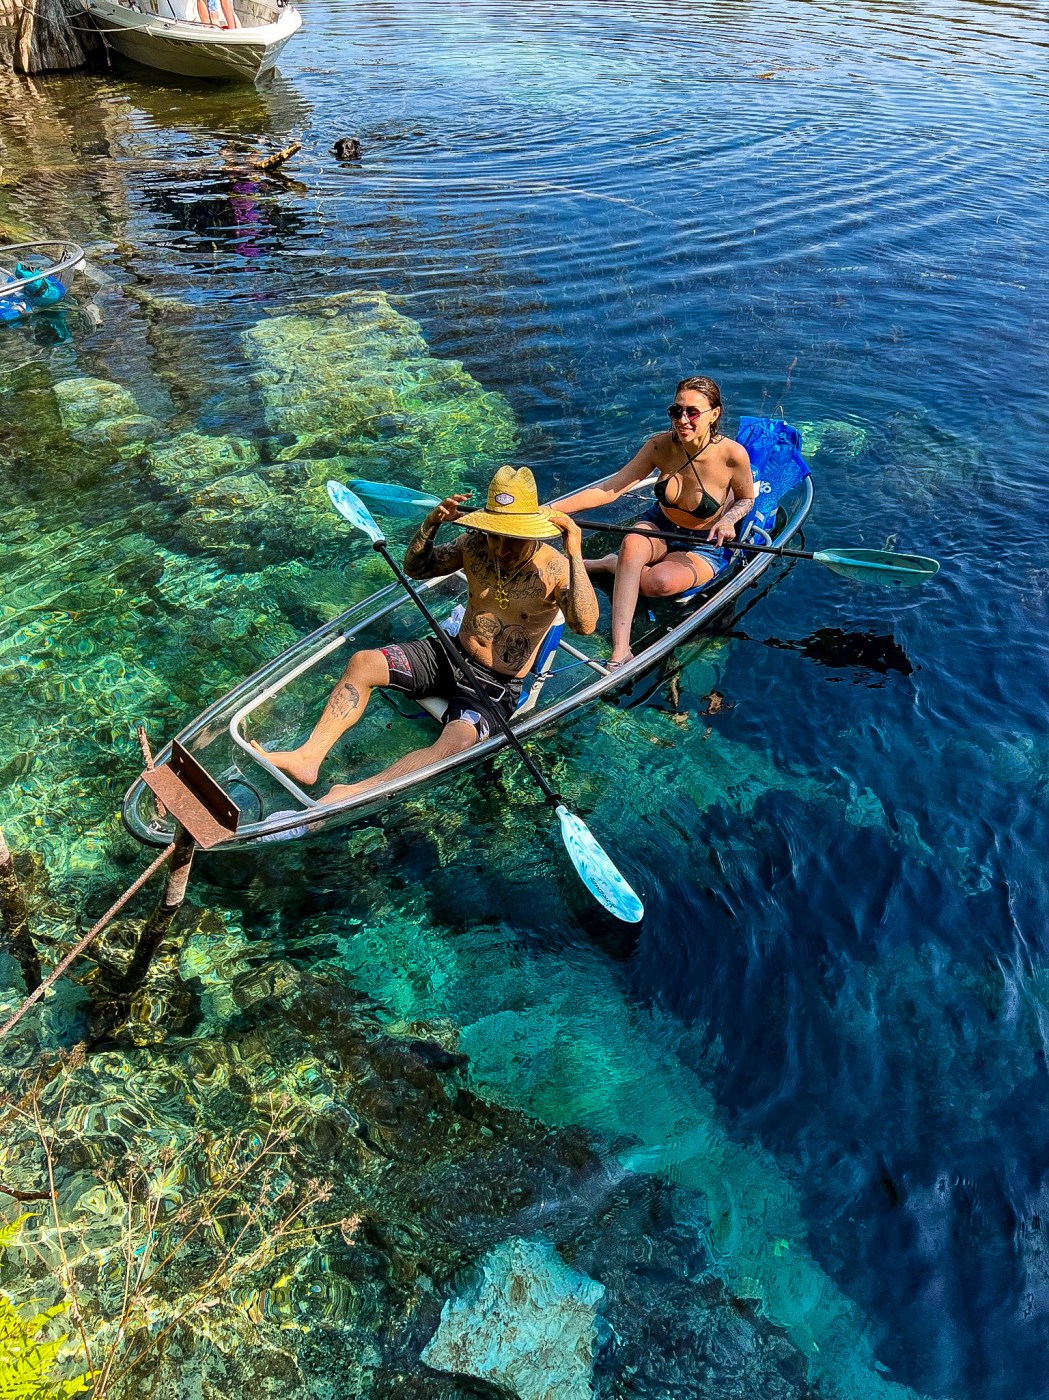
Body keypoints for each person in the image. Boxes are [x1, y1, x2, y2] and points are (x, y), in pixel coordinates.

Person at [253, 466, 599, 805]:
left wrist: (575, 553)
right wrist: (431, 524)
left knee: (456, 744)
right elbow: (416, 569)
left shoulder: (554, 568)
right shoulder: (474, 545)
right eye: (496, 534)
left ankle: (355, 792)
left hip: (494, 687)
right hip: (449, 654)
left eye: (512, 539)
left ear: (533, 533)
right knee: (364, 663)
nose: (501, 549)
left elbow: (585, 625)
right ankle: (308, 758)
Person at [557, 376, 755, 667]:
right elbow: (609, 490)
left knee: (656, 583)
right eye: (676, 411)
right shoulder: (660, 446)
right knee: (633, 542)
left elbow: (746, 499)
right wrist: (546, 510)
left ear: (715, 414)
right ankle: (620, 650)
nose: (682, 420)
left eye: (692, 412)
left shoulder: (732, 456)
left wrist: (728, 520)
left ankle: (611, 564)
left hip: (702, 544)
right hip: (660, 525)